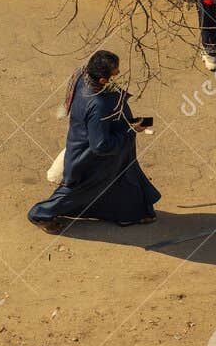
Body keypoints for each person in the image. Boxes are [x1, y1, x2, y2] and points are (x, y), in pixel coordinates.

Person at [28, 50, 160, 234]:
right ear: (103, 81)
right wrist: (130, 130)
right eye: (115, 73)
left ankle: (131, 214)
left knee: (123, 177)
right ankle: (40, 214)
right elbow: (100, 146)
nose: (119, 74)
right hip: (90, 159)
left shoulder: (83, 74)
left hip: (110, 151)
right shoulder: (97, 105)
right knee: (80, 191)